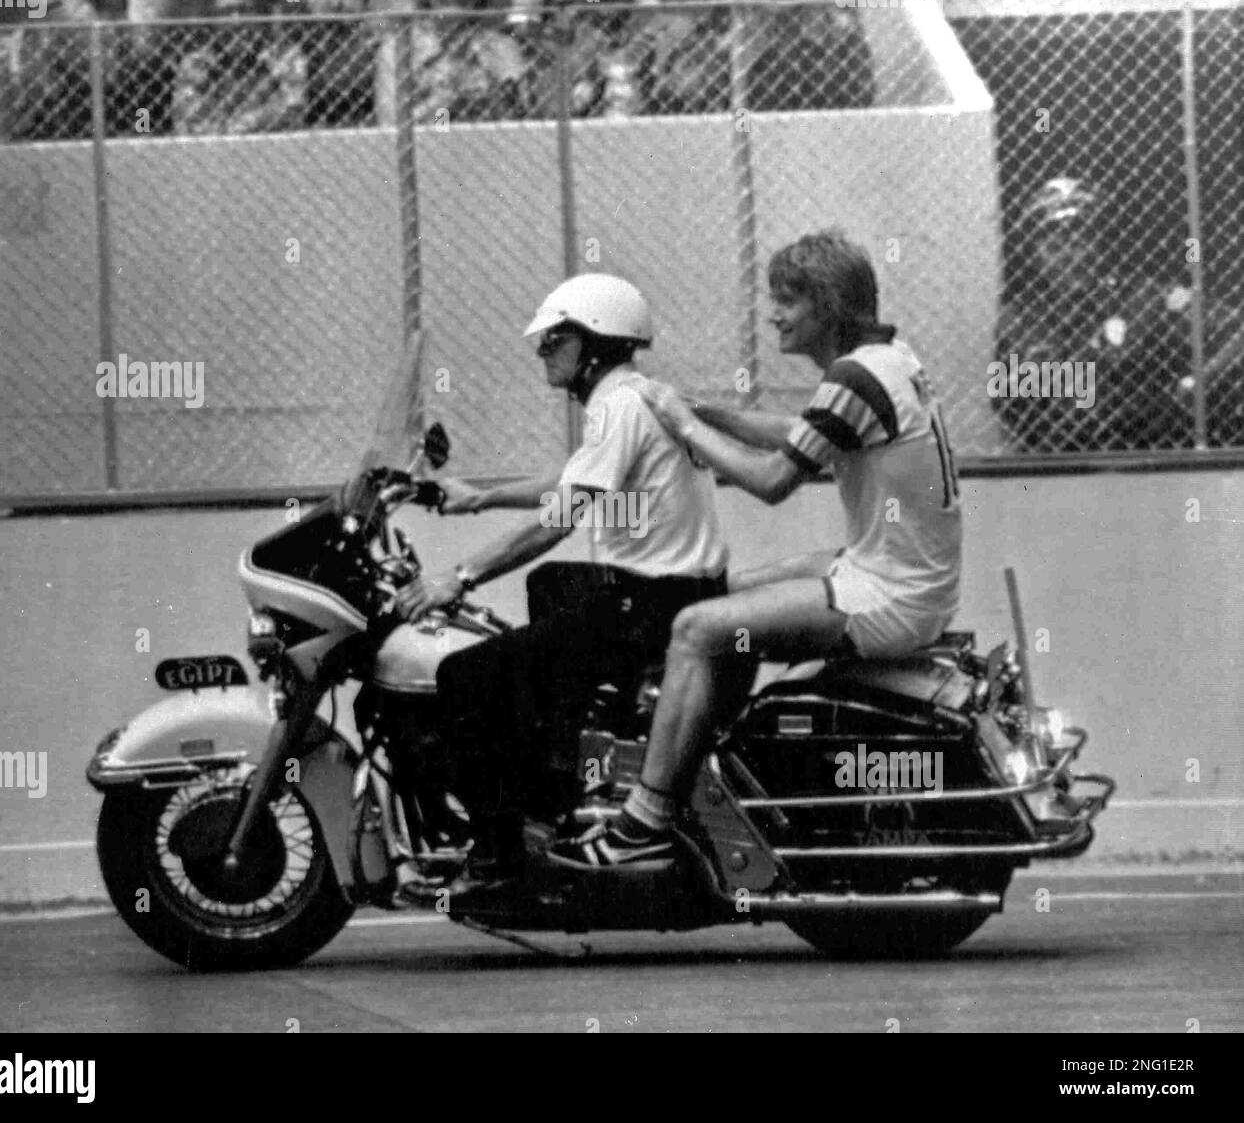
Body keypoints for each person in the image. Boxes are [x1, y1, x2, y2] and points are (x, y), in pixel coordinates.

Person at [550, 229, 963, 871]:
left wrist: (684, 426)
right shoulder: (887, 360)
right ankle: (704, 767)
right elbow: (805, 432)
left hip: (889, 592)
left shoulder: (856, 375)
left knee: (694, 627)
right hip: (899, 572)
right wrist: (706, 411)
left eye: (787, 301)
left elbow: (773, 480)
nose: (774, 314)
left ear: (826, 306)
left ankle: (647, 819)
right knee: (727, 598)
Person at [394, 273, 730, 896]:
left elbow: (560, 518)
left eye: (555, 339)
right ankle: (556, 773)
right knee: (552, 586)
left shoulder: (621, 405)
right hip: (665, 592)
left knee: (464, 676)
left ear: (594, 344)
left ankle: (498, 853)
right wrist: (477, 499)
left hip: (653, 604)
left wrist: (459, 577)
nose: (543, 349)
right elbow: (576, 483)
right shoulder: (627, 398)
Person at [994, 177, 1244, 452]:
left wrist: (1197, 384)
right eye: (1054, 246)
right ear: (1035, 254)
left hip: (1147, 456)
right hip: (1057, 464)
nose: (1069, 256)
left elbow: (1235, 330)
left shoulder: (1145, 297)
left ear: (1101, 243)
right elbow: (1008, 405)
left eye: (1079, 241)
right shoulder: (1020, 318)